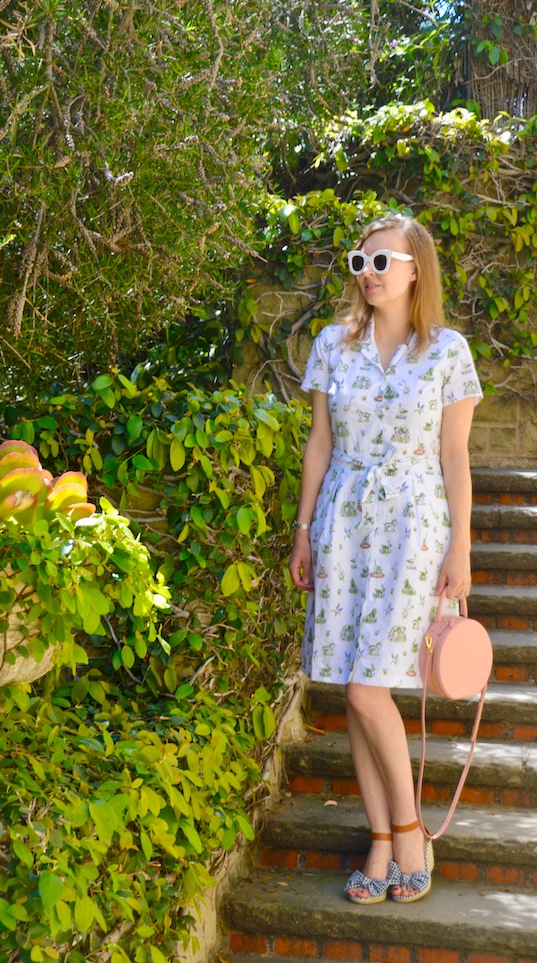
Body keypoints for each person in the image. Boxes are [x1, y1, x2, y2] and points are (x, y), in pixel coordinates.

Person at [288, 214, 482, 904]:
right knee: (350, 687)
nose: (366, 274)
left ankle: (409, 829)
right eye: (358, 262)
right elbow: (319, 443)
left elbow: (454, 455)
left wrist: (461, 542)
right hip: (343, 524)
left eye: (380, 262)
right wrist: (304, 529)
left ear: (414, 270)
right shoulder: (332, 346)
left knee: (371, 687)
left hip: (414, 527)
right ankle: (382, 836)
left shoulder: (449, 351)